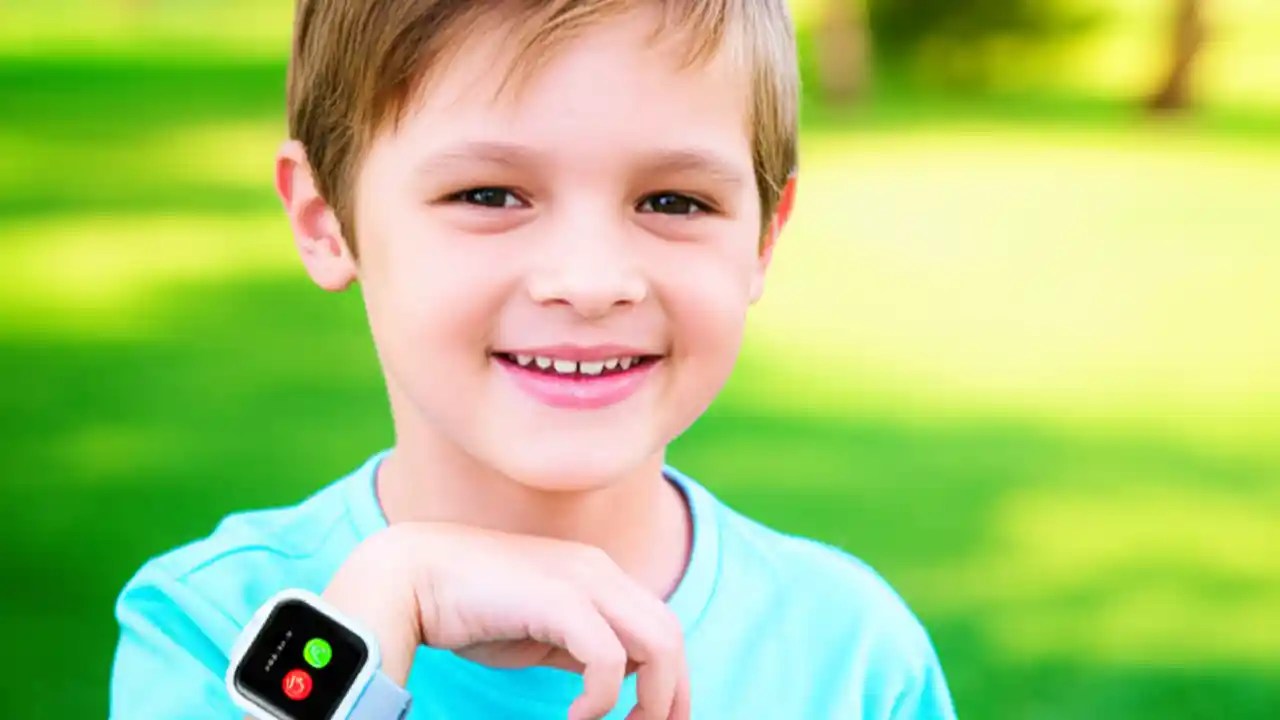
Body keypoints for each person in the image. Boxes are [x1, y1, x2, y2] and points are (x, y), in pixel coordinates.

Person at [109, 1, 956, 718]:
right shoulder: (213, 628)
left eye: (674, 201)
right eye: (488, 195)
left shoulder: (850, 659)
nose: (589, 283)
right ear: (327, 220)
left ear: (765, 236)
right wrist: (379, 614)